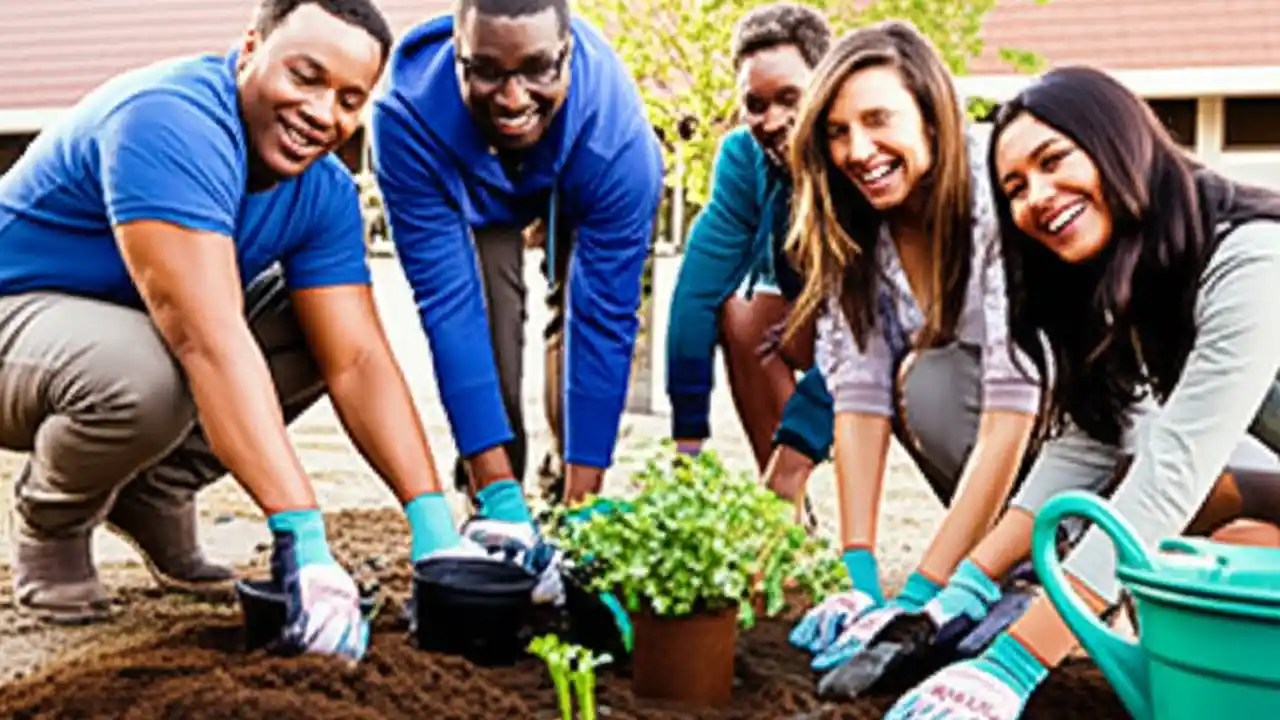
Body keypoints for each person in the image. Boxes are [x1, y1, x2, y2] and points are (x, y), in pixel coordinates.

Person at [0, 0, 474, 660]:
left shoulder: (324, 191)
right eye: (305, 77)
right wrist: (302, 542)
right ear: (249, 49)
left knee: (314, 329)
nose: (321, 113)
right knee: (146, 376)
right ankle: (54, 524)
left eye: (348, 98)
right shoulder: (170, 122)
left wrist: (434, 531)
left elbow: (359, 359)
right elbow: (208, 340)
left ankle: (154, 492)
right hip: (16, 315)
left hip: (127, 331)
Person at [881, 65, 1280, 719]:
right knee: (1213, 568)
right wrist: (961, 590)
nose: (1036, 195)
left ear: (1121, 142)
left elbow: (1171, 475)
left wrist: (1014, 662)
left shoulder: (1253, 260)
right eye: (1014, 186)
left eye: (1054, 159)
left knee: (1211, 576)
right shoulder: (1142, 282)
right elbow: (1085, 445)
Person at [780, 21, 1044, 675]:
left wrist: (925, 594)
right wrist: (860, 576)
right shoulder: (856, 225)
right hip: (993, 427)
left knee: (935, 380)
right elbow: (860, 399)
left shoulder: (994, 195)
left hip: (1093, 419)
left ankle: (1045, 572)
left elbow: (1014, 411)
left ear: (931, 115)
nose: (857, 150)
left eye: (877, 120)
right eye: (837, 132)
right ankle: (1015, 573)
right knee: (922, 383)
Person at [370, 0, 663, 583]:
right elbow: (449, 310)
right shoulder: (405, 117)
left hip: (580, 169)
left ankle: (569, 491)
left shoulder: (617, 139)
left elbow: (603, 321)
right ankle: (495, 495)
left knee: (581, 325)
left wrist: (587, 502)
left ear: (568, 53)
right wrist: (500, 495)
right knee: (489, 305)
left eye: (536, 68)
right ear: (458, 54)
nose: (511, 96)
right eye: (485, 70)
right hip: (469, 178)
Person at [665, 3, 836, 510]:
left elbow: (877, 331)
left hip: (898, 336)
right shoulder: (745, 156)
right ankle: (786, 515)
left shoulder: (859, 155)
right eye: (755, 104)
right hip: (823, 320)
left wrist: (802, 440)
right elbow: (698, 288)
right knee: (745, 316)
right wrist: (687, 447)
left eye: (790, 98)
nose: (772, 121)